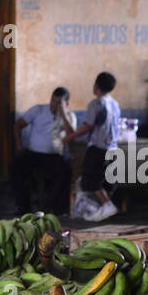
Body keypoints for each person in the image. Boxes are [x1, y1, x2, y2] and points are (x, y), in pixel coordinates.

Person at [66, 71, 122, 222]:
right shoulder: (114, 104)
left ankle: (107, 205)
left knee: (90, 180)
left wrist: (69, 137)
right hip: (113, 148)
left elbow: (87, 126)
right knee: (106, 181)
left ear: (96, 85)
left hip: (98, 148)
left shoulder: (96, 104)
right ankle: (103, 209)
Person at [12, 87, 76, 215]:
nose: (55, 105)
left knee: (65, 172)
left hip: (54, 156)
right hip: (33, 154)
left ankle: (53, 210)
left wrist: (63, 114)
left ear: (66, 104)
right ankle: (24, 209)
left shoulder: (69, 116)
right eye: (53, 100)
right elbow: (18, 125)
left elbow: (71, 135)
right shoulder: (38, 110)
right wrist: (19, 146)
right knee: (16, 168)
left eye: (59, 102)